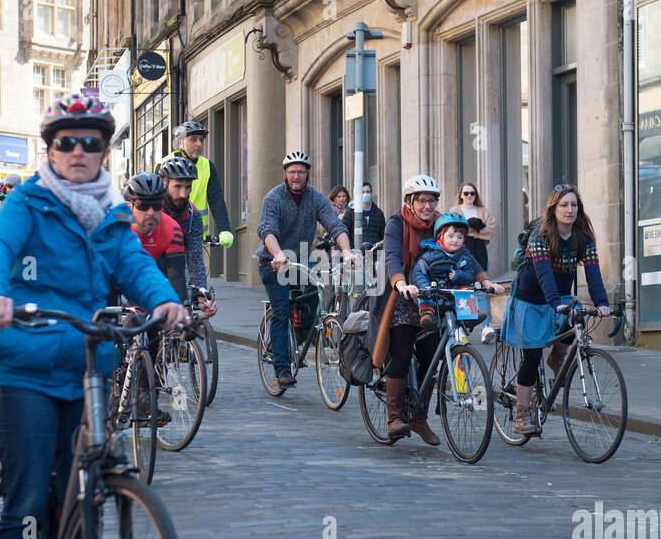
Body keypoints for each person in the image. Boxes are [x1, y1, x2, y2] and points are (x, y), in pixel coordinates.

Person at [0, 95, 188, 539]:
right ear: (50, 149)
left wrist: (164, 299)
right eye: (66, 142)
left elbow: (135, 267)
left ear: (103, 151)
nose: (78, 152)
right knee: (25, 503)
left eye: (90, 142)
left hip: (86, 364)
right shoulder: (28, 202)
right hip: (23, 367)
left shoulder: (112, 215)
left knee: (84, 494)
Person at [503, 183, 610, 438]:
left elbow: (594, 274)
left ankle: (557, 357)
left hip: (559, 297)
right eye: (564, 205)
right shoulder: (540, 235)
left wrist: (603, 303)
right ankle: (522, 413)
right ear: (553, 209)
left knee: (574, 330)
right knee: (531, 357)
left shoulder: (582, 238)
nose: (569, 209)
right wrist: (555, 303)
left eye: (574, 205)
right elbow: (544, 275)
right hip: (531, 298)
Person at [257, 150, 353, 388]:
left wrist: (348, 252)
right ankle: (282, 369)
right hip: (274, 261)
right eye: (292, 172)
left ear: (307, 174)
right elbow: (267, 230)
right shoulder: (273, 198)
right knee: (281, 313)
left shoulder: (315, 198)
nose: (297, 176)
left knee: (316, 297)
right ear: (285, 174)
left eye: (301, 172)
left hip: (301, 260)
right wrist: (278, 253)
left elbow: (334, 225)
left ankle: (301, 335)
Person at [365, 173, 445, 444]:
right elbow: (392, 258)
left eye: (432, 201)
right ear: (410, 201)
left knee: (432, 356)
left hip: (429, 299)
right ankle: (395, 417)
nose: (427, 206)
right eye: (422, 200)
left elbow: (456, 254)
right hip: (399, 297)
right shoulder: (396, 223)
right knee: (400, 353)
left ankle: (419, 418)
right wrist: (400, 283)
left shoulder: (441, 224)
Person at [411, 213, 505, 330]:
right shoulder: (430, 255)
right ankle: (427, 315)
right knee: (424, 295)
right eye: (451, 236)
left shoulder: (464, 255)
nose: (455, 240)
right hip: (434, 291)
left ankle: (469, 316)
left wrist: (458, 276)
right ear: (440, 236)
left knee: (466, 290)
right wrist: (425, 287)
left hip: (453, 291)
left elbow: (470, 273)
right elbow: (419, 272)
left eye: (460, 237)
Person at [158, 118, 234, 249]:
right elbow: (156, 199)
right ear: (180, 142)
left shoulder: (207, 166)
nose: (199, 144)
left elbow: (216, 200)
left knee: (197, 268)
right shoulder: (164, 164)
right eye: (193, 139)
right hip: (167, 235)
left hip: (195, 235)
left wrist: (225, 229)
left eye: (201, 140)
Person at [159, 156, 218, 318]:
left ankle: (178, 342)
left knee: (184, 310)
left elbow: (195, 259)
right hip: (149, 260)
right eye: (177, 186)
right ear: (164, 183)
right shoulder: (151, 210)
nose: (184, 194)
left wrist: (201, 294)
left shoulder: (193, 216)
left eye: (188, 187)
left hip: (177, 263)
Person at [451, 183, 497, 271]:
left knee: (480, 273)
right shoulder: (455, 210)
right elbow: (453, 228)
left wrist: (470, 230)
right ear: (461, 195)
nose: (469, 196)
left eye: (472, 193)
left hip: (480, 248)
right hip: (462, 246)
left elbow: (491, 228)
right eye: (466, 193)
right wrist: (477, 229)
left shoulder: (483, 210)